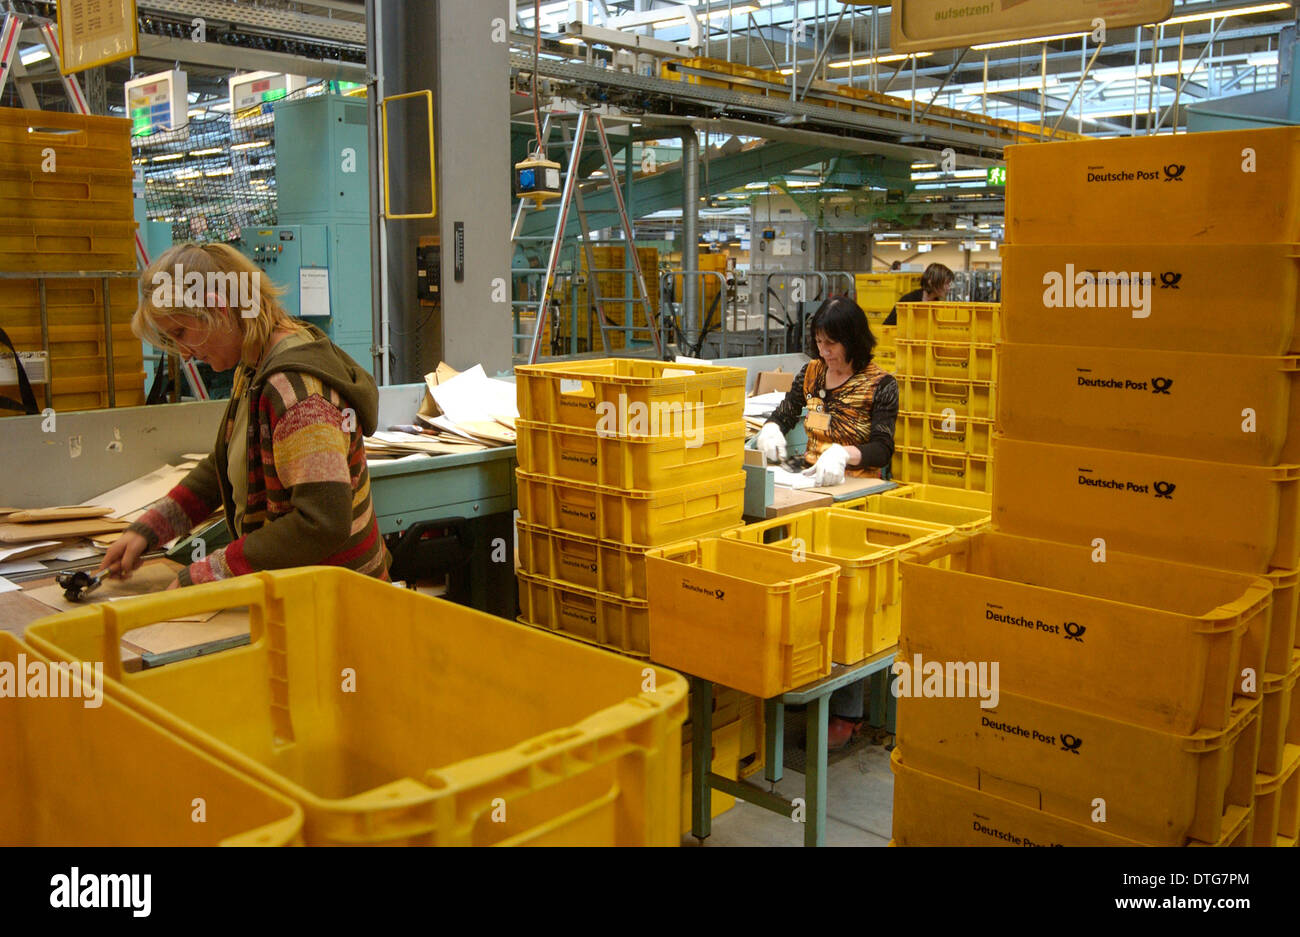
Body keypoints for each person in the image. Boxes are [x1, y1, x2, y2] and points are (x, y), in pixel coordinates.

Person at [99, 242, 390, 588]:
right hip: (304, 591)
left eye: (181, 333)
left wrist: (210, 571)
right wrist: (150, 529)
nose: (185, 355)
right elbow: (226, 464)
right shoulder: (254, 365)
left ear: (219, 309)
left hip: (338, 601)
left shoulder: (295, 389)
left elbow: (322, 523)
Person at [755, 295, 899, 750]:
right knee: (801, 584)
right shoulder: (812, 373)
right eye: (818, 341)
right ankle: (802, 678)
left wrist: (847, 453)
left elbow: (883, 448)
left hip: (860, 492)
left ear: (853, 340)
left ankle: (849, 709)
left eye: (832, 343)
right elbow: (788, 411)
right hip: (811, 485)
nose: (824, 352)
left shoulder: (881, 384)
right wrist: (773, 428)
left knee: (845, 595)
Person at [883, 262, 954, 326]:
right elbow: (888, 326)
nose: (948, 288)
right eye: (946, 283)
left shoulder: (938, 304)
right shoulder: (908, 301)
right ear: (931, 282)